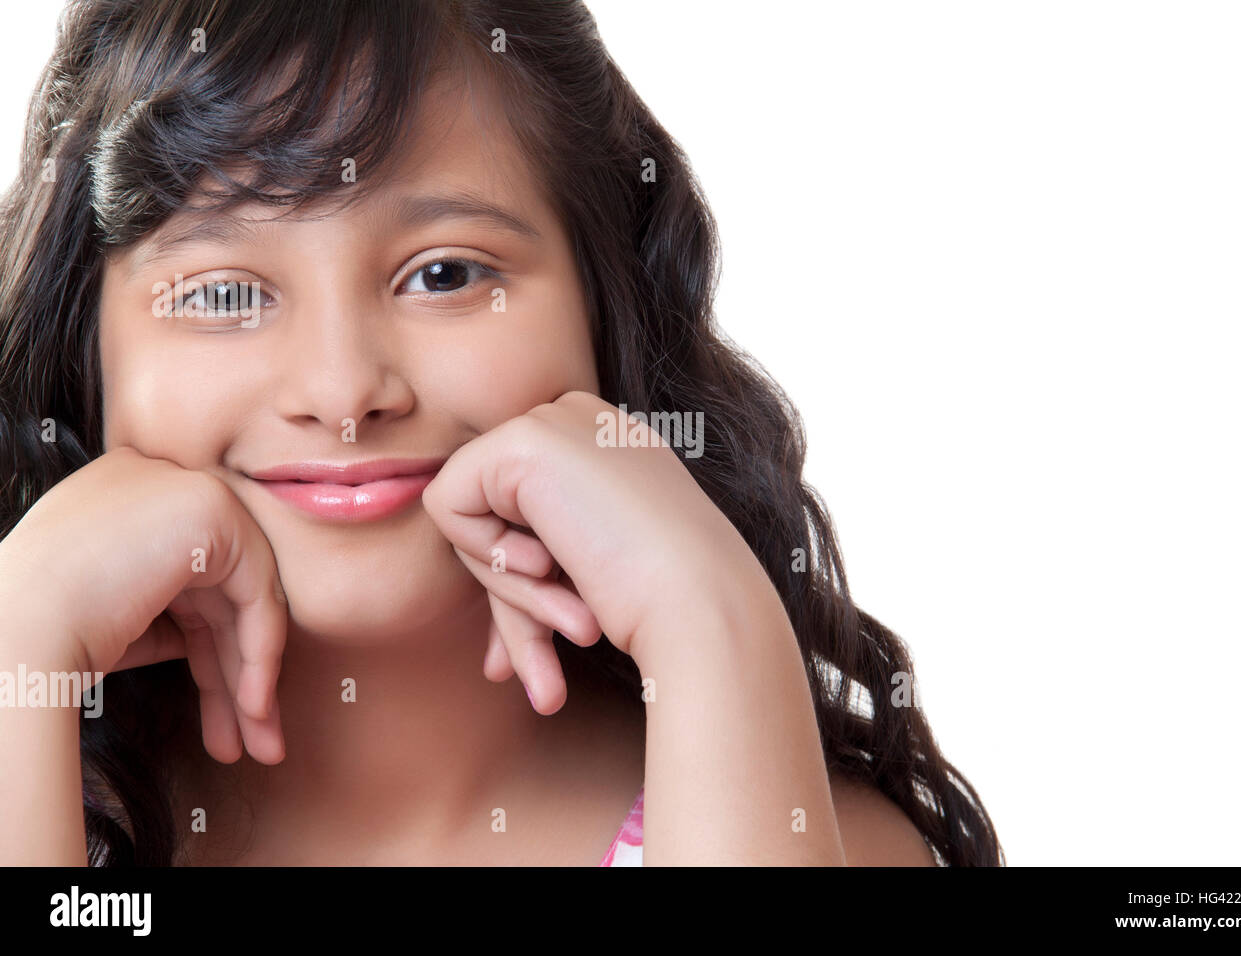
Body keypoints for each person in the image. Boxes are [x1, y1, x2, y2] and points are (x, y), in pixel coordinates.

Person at [0, 0, 1002, 866]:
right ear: (80, 345)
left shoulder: (801, 835)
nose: (344, 389)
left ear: (604, 311)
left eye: (445, 273)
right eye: (222, 290)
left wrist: (711, 620)